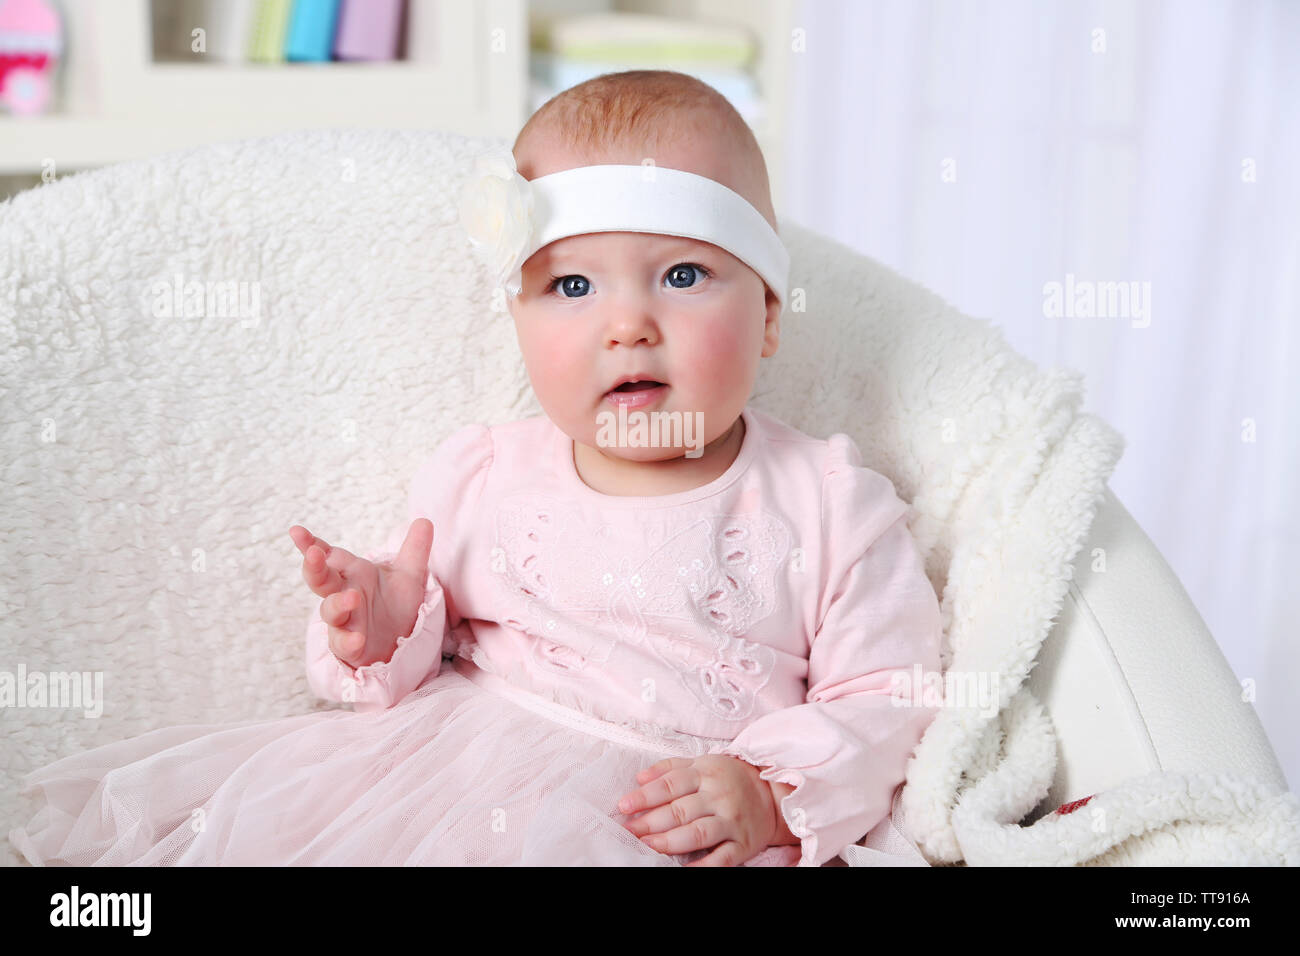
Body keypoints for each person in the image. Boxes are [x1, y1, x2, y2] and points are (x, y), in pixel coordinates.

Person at [8, 70, 942, 867]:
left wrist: (773, 795)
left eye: (683, 275)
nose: (628, 324)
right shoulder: (487, 471)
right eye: (573, 286)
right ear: (518, 316)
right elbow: (420, 646)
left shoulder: (827, 502)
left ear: (772, 313)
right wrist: (378, 622)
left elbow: (888, 694)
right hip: (451, 784)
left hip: (665, 820)